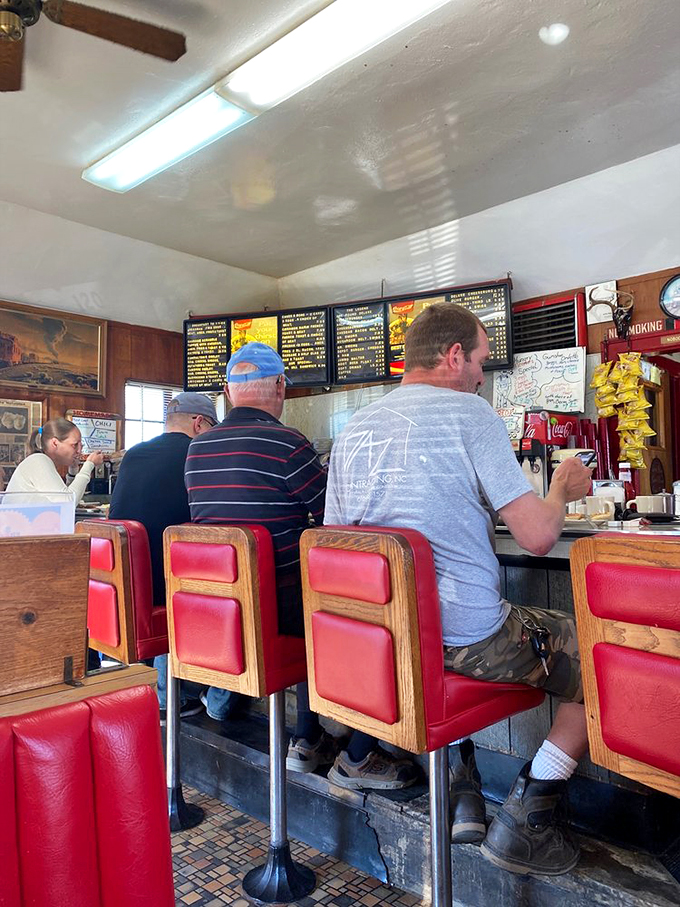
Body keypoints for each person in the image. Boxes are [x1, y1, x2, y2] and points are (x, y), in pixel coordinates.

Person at [324, 302, 592, 875]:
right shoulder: (472, 414)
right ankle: (528, 817)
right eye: (481, 362)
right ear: (453, 356)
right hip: (467, 641)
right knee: (603, 655)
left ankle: (463, 779)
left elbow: (335, 548)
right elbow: (538, 537)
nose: (481, 377)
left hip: (380, 645)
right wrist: (561, 489)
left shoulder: (354, 430)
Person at [186, 342, 335, 773]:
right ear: (280, 386)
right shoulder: (288, 443)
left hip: (217, 608)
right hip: (280, 609)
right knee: (332, 601)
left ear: (228, 392)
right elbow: (332, 515)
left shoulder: (197, 449)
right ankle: (314, 737)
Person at [109, 391, 219, 722]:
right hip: (170, 590)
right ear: (199, 423)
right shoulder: (200, 454)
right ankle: (174, 695)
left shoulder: (134, 454)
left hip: (124, 585)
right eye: (211, 427)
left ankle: (150, 688)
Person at [5, 417, 103, 499]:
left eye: (81, 445)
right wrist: (89, 465)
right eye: (75, 445)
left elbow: (65, 498)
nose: (79, 450)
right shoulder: (38, 460)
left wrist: (73, 471)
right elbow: (67, 501)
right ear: (55, 443)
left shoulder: (41, 460)